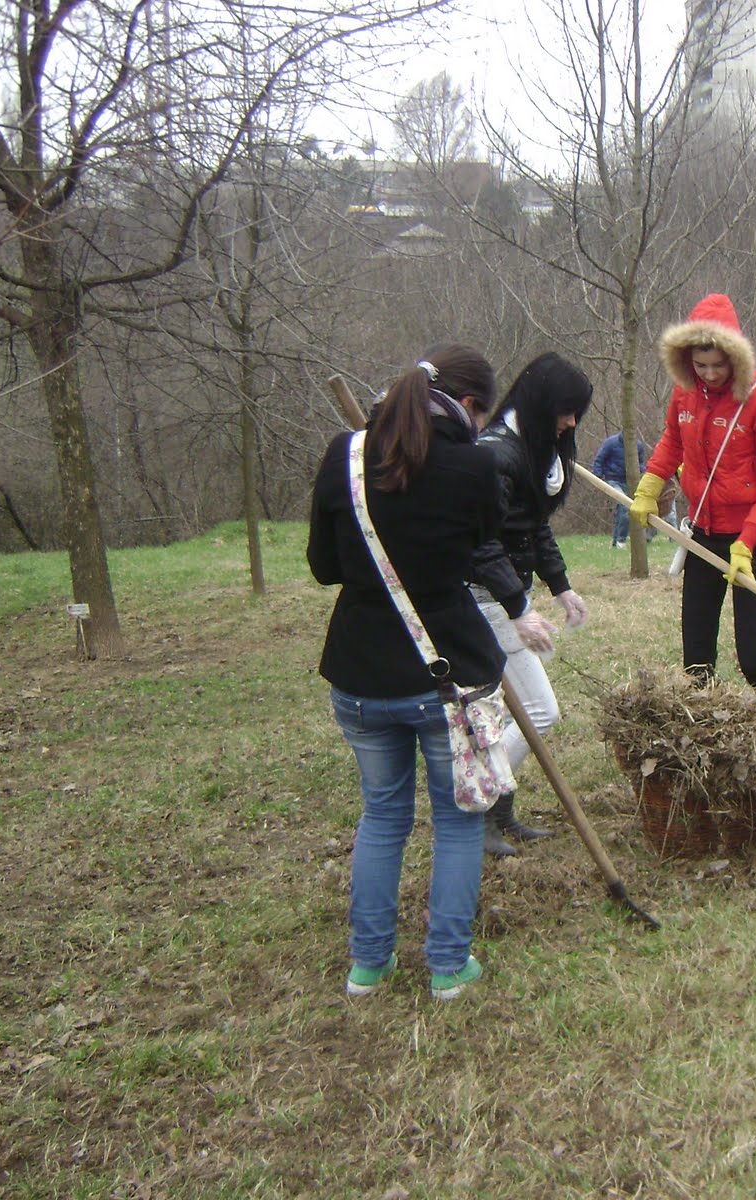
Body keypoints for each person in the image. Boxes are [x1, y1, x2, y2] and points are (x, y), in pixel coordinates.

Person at [307, 343, 501, 1001]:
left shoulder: (346, 456)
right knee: (457, 819)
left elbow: (325, 567)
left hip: (360, 678)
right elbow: (475, 553)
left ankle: (369, 964)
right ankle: (447, 966)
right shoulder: (475, 469)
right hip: (443, 680)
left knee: (383, 815)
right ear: (469, 407)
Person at [629, 293, 756, 688]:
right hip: (702, 539)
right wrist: (650, 486)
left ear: (735, 358)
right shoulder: (685, 391)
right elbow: (673, 440)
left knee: (755, 660)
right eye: (698, 365)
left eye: (717, 365)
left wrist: (748, 541)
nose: (708, 374)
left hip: (750, 544)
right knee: (696, 664)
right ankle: (705, 733)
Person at [469, 352, 593, 856]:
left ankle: (495, 813)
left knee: (509, 711)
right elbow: (482, 543)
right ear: (542, 404)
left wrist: (560, 586)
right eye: (566, 411)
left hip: (502, 593)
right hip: (481, 596)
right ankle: (481, 808)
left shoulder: (534, 447)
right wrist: (519, 609)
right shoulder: (497, 454)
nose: (571, 422)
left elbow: (532, 526)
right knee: (539, 712)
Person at [593, 430, 651, 546]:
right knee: (624, 507)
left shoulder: (638, 445)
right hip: (613, 480)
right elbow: (599, 460)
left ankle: (618, 541)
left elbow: (639, 463)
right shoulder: (610, 443)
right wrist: (597, 477)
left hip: (630, 482)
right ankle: (621, 541)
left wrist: (646, 474)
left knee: (634, 508)